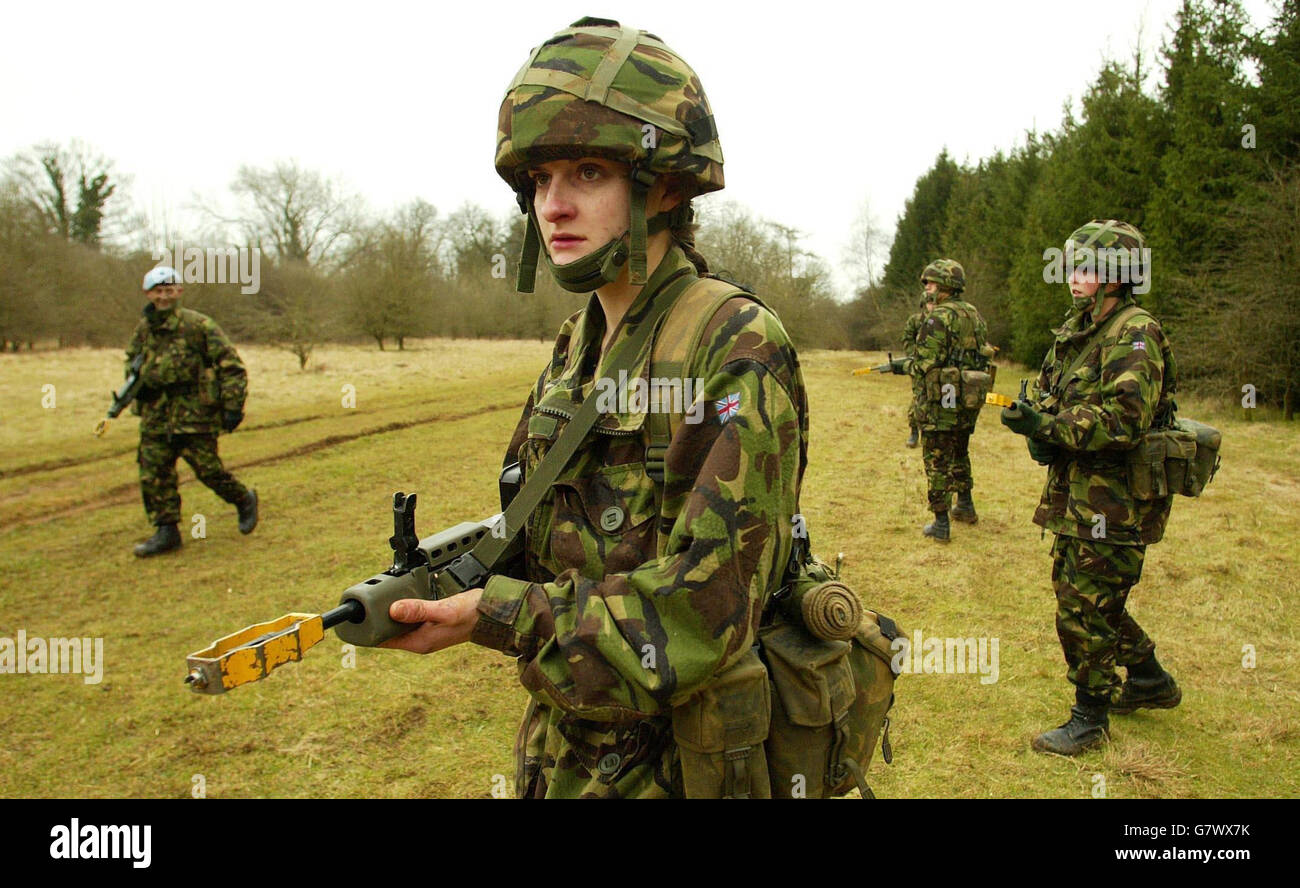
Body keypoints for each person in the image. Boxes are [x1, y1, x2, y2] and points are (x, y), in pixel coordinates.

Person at [380, 17, 809, 798]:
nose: (553, 205)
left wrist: (497, 616)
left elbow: (703, 611)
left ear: (666, 184)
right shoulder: (578, 346)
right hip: (563, 754)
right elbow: (548, 539)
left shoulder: (733, 343)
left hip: (682, 767)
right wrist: (435, 588)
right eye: (540, 180)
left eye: (586, 173)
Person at [1000, 219, 1181, 756]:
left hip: (1117, 499)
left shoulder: (1136, 332)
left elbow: (1125, 420)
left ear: (1118, 277)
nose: (1073, 276)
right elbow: (1063, 399)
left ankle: (1090, 717)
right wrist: (1040, 426)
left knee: (1085, 605)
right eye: (1072, 264)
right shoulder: (1080, 327)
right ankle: (1147, 679)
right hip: (1079, 491)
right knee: (1087, 596)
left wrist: (1048, 429)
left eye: (1087, 268)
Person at [128, 266, 257, 556]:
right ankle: (166, 530)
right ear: (148, 294)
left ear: (179, 291)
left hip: (194, 414)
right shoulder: (143, 331)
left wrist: (233, 406)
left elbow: (231, 366)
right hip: (156, 416)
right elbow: (132, 365)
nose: (164, 296)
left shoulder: (199, 326)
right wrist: (140, 390)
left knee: (208, 470)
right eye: (158, 291)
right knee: (154, 473)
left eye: (169, 290)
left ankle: (243, 499)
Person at [909, 259, 992, 541]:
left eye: (931, 283)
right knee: (960, 451)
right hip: (966, 399)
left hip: (940, 402)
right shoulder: (974, 315)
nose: (928, 288)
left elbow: (924, 363)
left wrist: (910, 367)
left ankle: (941, 523)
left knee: (936, 460)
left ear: (946, 285)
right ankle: (965, 505)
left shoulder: (938, 318)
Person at [902, 293, 934, 447]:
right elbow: (907, 339)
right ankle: (914, 431)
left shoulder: (944, 320)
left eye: (934, 303)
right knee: (918, 398)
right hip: (919, 366)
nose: (932, 306)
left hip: (938, 367)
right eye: (929, 303)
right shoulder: (915, 321)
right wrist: (916, 355)